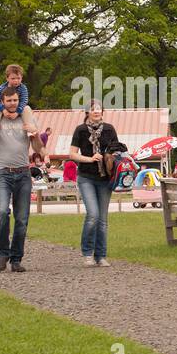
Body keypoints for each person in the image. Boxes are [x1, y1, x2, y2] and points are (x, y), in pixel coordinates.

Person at [0, 88, 41, 271]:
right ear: (3, 101)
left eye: (15, 100)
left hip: (23, 173)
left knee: (22, 219)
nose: (12, 103)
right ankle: (3, 253)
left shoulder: (26, 117)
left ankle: (16, 259)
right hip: (2, 173)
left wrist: (35, 134)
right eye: (9, 100)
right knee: (2, 211)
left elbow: (38, 147)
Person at [68, 100, 126, 267]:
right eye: (93, 109)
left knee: (102, 219)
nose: (96, 111)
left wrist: (113, 157)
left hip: (104, 179)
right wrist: (90, 159)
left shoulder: (109, 129)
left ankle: (100, 256)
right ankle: (87, 253)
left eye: (99, 108)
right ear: (87, 112)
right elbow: (72, 154)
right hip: (86, 177)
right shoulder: (80, 130)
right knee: (93, 215)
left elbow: (117, 150)